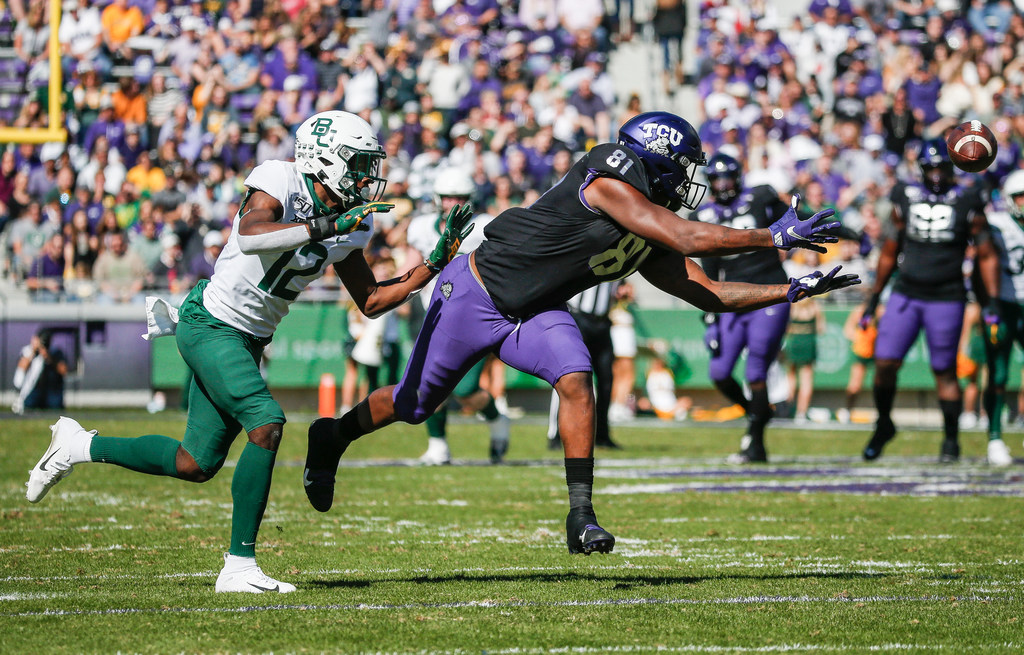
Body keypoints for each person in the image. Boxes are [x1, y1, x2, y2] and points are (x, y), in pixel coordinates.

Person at [302, 111, 857, 556]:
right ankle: (332, 436)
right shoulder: (610, 181)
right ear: (657, 160)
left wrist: (791, 290)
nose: (690, 180)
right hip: (476, 292)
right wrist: (771, 236)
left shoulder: (649, 221)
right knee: (413, 403)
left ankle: (581, 515)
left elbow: (706, 291)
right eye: (683, 166)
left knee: (576, 376)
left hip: (535, 308)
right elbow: (685, 237)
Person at [25, 110, 471, 594]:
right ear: (326, 159)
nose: (367, 178)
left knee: (195, 463)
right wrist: (324, 225)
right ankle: (238, 566)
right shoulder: (280, 178)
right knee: (266, 421)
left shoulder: (352, 225)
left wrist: (433, 263)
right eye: (360, 164)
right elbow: (251, 234)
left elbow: (372, 300)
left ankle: (77, 445)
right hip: (211, 322)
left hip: (248, 338)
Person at [860, 138, 999, 463]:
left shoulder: (967, 197)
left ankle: (951, 440)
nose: (936, 174)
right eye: (930, 168)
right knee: (884, 363)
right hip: (906, 292)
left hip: (947, 296)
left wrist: (990, 300)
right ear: (921, 169)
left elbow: (986, 254)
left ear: (952, 166)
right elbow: (890, 250)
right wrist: (874, 297)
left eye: (941, 167)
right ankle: (884, 423)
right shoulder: (904, 194)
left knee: (944, 371)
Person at [690, 153, 795, 463]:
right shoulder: (703, 214)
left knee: (756, 371)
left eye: (728, 178)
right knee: (719, 372)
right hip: (734, 297)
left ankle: (756, 443)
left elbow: (795, 221)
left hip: (768, 293)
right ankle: (756, 414)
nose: (723, 185)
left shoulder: (759, 196)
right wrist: (710, 317)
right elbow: (709, 268)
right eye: (717, 179)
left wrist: (839, 231)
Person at [405, 167, 511, 465]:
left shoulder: (483, 226)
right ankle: (438, 445)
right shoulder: (421, 227)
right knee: (429, 384)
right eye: (449, 196)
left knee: (464, 390)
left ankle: (495, 418)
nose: (454, 202)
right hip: (433, 315)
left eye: (460, 197)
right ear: (437, 198)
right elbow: (411, 268)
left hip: (473, 318)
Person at [973, 169, 1024, 466]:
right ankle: (994, 437)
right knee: (999, 373)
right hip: (1003, 305)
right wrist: (987, 304)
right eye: (1021, 196)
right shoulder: (996, 224)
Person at [548, 281, 621, 451]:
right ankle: (556, 434)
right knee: (568, 376)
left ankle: (602, 435)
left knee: (606, 381)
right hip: (579, 319)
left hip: (603, 323)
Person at [13, 329, 68, 414]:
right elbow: (22, 367)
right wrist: (33, 351)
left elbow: (64, 370)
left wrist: (49, 358)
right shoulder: (28, 351)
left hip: (52, 389)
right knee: (28, 409)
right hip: (33, 388)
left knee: (55, 411)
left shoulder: (55, 352)